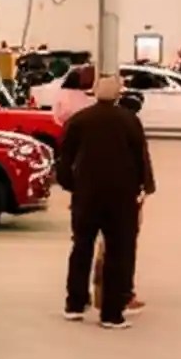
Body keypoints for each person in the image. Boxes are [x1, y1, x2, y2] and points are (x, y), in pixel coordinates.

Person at [57, 75, 155, 329]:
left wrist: (73, 186)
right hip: (121, 199)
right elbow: (141, 157)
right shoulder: (129, 121)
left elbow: (64, 160)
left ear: (94, 93)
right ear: (119, 95)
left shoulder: (79, 120)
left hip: (86, 196)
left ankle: (75, 304)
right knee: (118, 253)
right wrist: (145, 188)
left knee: (81, 247)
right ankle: (111, 314)